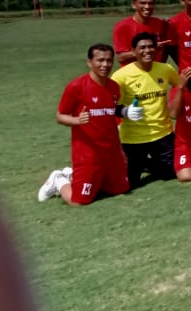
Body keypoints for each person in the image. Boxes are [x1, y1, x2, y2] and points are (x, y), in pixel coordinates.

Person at [38, 44, 132, 205]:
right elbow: (60, 116)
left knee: (121, 191)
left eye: (109, 60)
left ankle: (73, 175)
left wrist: (121, 149)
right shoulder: (76, 86)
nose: (105, 65)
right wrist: (77, 121)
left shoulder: (114, 87)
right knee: (79, 201)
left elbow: (109, 115)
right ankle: (58, 180)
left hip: (111, 153)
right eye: (100, 60)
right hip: (87, 154)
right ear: (89, 62)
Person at [111, 32, 180, 187]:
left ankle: (147, 164)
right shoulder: (121, 76)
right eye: (142, 47)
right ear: (133, 51)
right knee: (130, 183)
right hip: (133, 138)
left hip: (162, 135)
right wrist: (124, 111)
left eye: (151, 47)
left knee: (171, 174)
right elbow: (108, 105)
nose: (147, 51)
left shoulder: (165, 69)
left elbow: (180, 86)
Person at [112, 0, 170, 65]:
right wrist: (147, 50)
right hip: (133, 75)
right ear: (133, 4)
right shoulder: (122, 26)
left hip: (155, 74)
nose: (147, 7)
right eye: (143, 3)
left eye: (150, 3)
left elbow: (164, 50)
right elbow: (120, 58)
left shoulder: (160, 24)